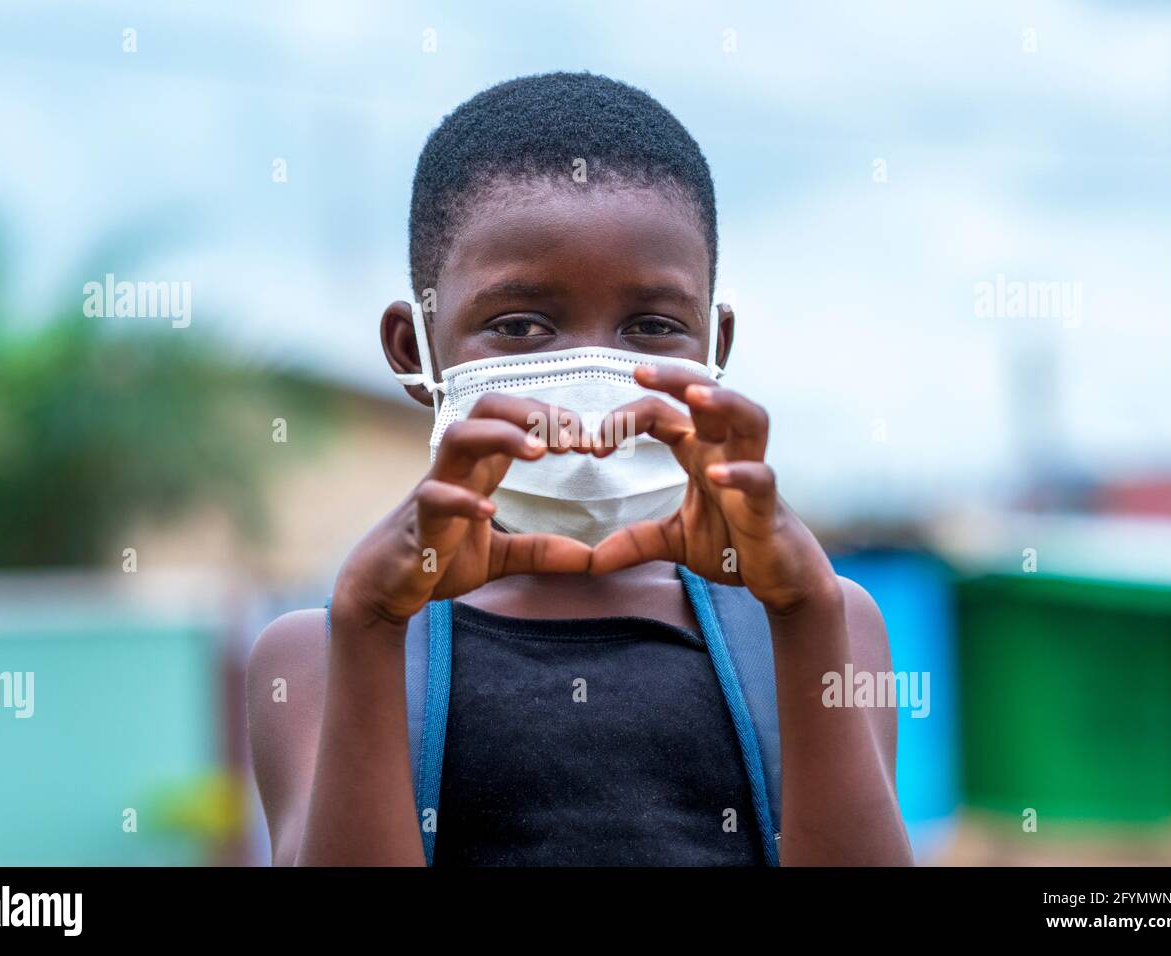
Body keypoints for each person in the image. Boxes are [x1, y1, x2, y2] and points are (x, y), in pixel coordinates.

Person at [247, 71, 912, 866]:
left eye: (654, 325)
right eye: (520, 324)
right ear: (411, 349)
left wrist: (803, 611)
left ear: (715, 349)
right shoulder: (319, 654)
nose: (594, 371)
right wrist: (371, 626)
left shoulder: (823, 622)